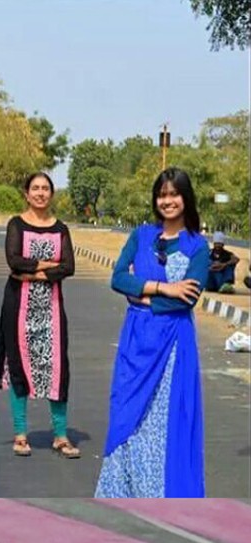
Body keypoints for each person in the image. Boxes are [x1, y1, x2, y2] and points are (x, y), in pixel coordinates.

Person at [95, 167, 209, 498]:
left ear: (186, 198)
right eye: (162, 195)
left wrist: (143, 297)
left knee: (165, 422)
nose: (168, 201)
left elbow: (188, 298)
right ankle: (122, 494)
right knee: (126, 417)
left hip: (173, 347)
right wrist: (162, 287)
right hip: (135, 343)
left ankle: (163, 498)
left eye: (174, 194)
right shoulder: (141, 236)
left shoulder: (196, 247)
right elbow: (118, 278)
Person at [0, 172, 79, 459]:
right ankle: (20, 435)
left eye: (45, 189)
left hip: (50, 310)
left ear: (51, 194)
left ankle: (61, 436)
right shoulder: (16, 224)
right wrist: (48, 265)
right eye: (35, 188)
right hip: (18, 307)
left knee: (56, 368)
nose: (40, 193)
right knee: (18, 365)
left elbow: (68, 266)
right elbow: (13, 260)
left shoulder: (61, 229)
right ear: (26, 194)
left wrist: (32, 272)